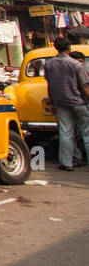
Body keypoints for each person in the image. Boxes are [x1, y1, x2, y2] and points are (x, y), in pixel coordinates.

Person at [43, 38, 89, 171]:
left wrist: (52, 103)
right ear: (68, 47)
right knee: (86, 132)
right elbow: (84, 86)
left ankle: (67, 163)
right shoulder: (75, 64)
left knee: (65, 132)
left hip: (60, 102)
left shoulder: (49, 64)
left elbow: (50, 86)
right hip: (77, 101)